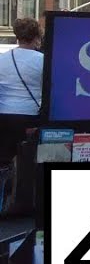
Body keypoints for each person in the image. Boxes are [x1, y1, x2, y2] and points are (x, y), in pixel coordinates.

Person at [0, 18, 43, 173]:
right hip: (30, 117)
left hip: (4, 116)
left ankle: (5, 192)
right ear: (37, 37)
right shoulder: (42, 61)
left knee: (4, 162)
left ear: (17, 36)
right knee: (28, 162)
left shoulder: (2, 59)